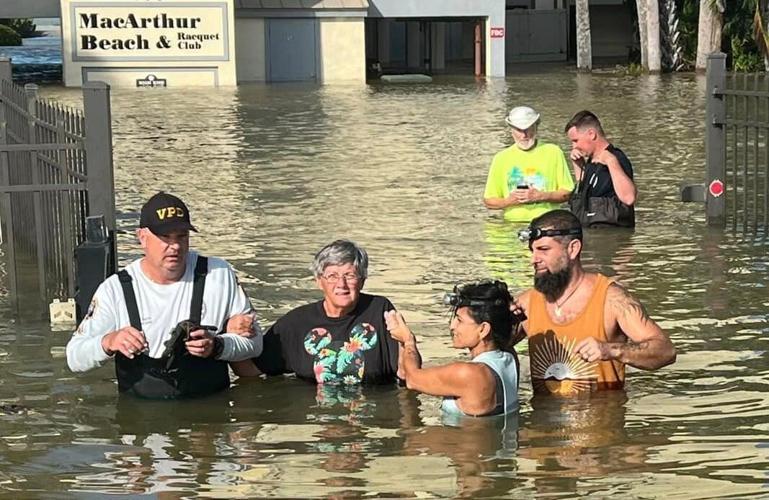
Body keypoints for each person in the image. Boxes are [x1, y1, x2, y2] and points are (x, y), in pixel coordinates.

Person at [66, 191, 263, 399]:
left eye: (182, 236)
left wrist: (217, 345)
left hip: (211, 409)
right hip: (140, 414)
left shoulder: (219, 274)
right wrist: (109, 341)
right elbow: (74, 357)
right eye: (165, 237)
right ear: (142, 238)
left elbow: (256, 345)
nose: (175, 246)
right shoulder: (115, 290)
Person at [513, 209, 675, 397]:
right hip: (542, 416)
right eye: (532, 251)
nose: (533, 260)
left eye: (543, 250)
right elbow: (489, 345)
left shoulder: (612, 299)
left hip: (602, 414)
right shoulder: (526, 303)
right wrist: (495, 315)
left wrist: (611, 350)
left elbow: (665, 351)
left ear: (573, 249)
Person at [231, 240, 409, 385]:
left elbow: (406, 373)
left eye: (350, 275)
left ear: (362, 281)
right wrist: (231, 335)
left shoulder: (379, 310)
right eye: (332, 276)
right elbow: (249, 370)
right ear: (318, 281)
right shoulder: (296, 323)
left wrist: (407, 342)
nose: (341, 284)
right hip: (315, 414)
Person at [384, 281, 521, 417]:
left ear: (483, 329)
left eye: (459, 320)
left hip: (461, 432)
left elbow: (412, 379)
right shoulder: (509, 358)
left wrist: (408, 340)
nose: (452, 326)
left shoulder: (469, 373)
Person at [483, 105, 574, 223]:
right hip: (512, 225)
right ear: (511, 130)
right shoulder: (501, 158)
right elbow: (489, 201)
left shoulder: (553, 152)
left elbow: (567, 193)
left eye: (528, 129)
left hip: (548, 223)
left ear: (536, 127)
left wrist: (540, 196)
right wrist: (510, 201)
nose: (524, 135)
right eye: (519, 130)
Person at [564, 110, 637, 227]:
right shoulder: (591, 162)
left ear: (591, 134)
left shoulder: (616, 158)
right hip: (590, 231)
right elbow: (583, 196)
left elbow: (629, 198)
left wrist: (611, 161)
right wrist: (578, 165)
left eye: (576, 141)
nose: (574, 147)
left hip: (612, 234)